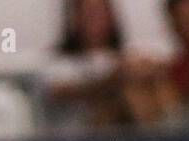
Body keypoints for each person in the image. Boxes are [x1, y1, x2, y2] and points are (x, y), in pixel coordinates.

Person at [40, 0, 180, 131]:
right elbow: (62, 92)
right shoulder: (58, 64)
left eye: (100, 12)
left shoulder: (124, 56)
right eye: (87, 13)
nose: (94, 19)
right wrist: (115, 79)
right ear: (73, 19)